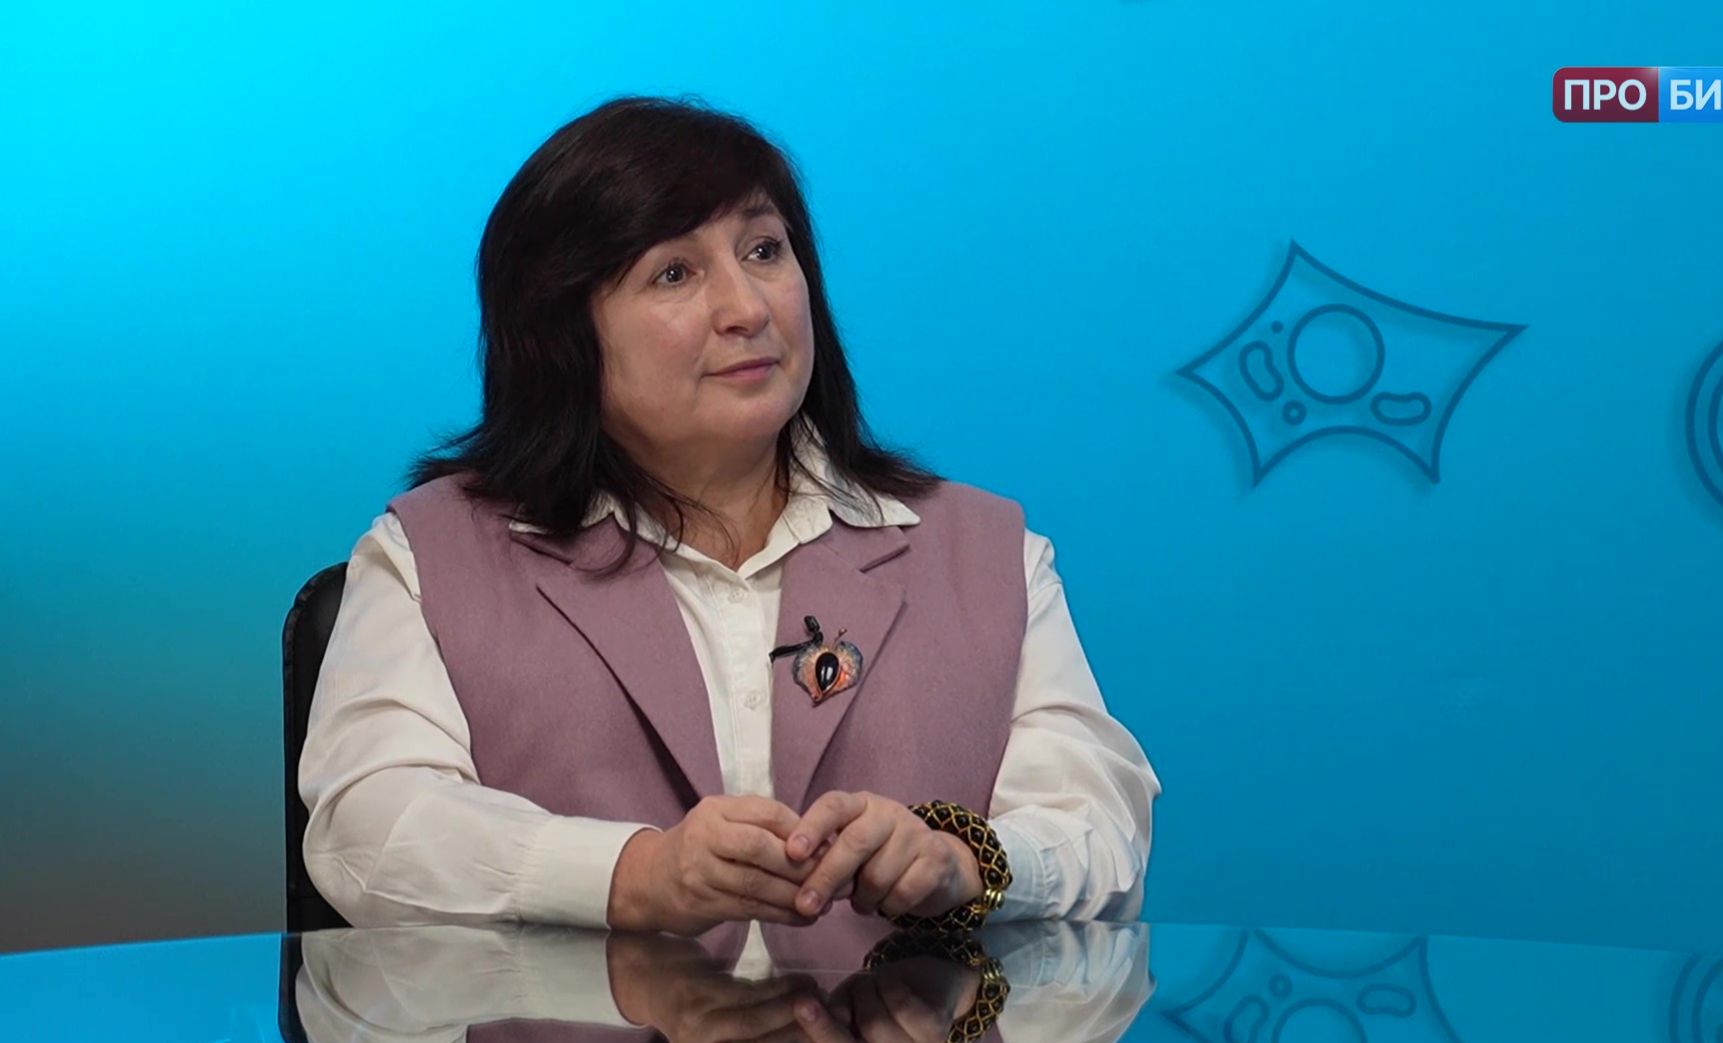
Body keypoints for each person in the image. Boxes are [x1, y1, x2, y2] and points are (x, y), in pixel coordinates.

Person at [299, 95, 1159, 944]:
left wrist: (963, 861)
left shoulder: (986, 554)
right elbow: (369, 828)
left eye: (764, 251)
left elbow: (1097, 822)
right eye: (674, 273)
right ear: (561, 332)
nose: (747, 308)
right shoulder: (429, 557)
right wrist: (631, 874)